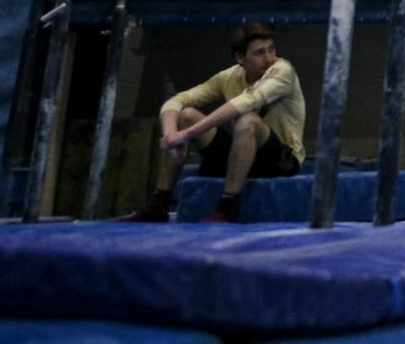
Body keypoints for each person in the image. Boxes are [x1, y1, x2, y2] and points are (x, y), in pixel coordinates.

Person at [121, 22, 304, 223]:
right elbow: (178, 100)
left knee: (248, 120)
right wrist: (171, 135)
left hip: (281, 161)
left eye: (271, 50)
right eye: (259, 53)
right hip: (243, 154)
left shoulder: (282, 70)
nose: (269, 58)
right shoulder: (229, 77)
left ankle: (224, 209)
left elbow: (246, 102)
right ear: (240, 58)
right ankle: (158, 204)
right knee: (187, 115)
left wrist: (188, 134)